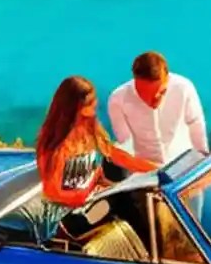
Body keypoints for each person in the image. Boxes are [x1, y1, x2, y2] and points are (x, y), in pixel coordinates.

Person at [27, 75, 158, 242]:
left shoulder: (89, 129)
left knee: (133, 198)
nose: (93, 110)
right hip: (64, 218)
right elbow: (54, 193)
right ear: (72, 108)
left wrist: (154, 169)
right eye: (88, 105)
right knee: (123, 203)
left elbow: (114, 154)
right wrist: (90, 193)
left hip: (91, 204)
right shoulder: (54, 144)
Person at [107, 51, 209, 172]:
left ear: (167, 78)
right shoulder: (118, 99)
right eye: (145, 94)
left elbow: (196, 123)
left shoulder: (184, 88)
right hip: (143, 172)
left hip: (185, 167)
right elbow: (126, 143)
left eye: (161, 92)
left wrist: (203, 159)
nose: (154, 100)